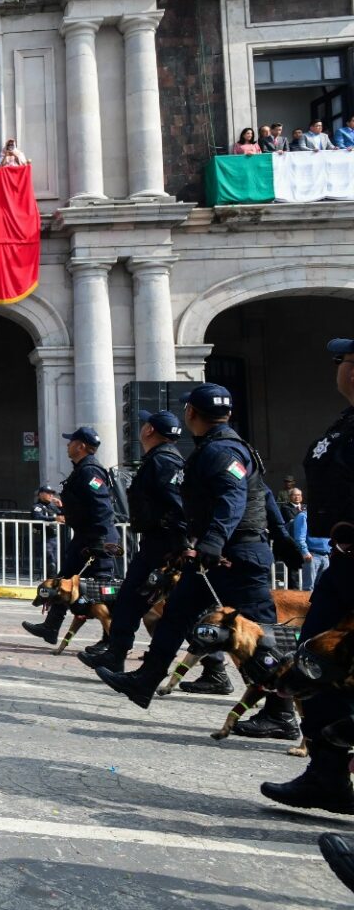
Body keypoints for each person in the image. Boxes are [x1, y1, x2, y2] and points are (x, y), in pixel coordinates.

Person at [95, 385, 299, 738]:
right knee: (176, 615)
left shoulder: (221, 451)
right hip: (218, 555)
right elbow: (262, 495)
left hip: (234, 556)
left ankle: (281, 711)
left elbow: (233, 499)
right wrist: (282, 538)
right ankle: (145, 680)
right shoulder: (229, 448)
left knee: (262, 636)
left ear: (190, 413)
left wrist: (216, 540)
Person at [258, 335, 354, 813]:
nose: (339, 369)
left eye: (343, 360)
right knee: (313, 664)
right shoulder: (348, 423)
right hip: (345, 564)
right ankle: (327, 774)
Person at [78, 411, 186, 674]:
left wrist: (180, 545)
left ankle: (118, 655)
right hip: (162, 543)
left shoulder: (163, 462)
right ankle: (116, 654)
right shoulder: (163, 459)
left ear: (149, 430)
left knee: (134, 600)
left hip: (163, 545)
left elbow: (178, 505)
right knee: (149, 603)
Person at [23, 425, 118, 642]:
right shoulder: (82, 469)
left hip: (98, 538)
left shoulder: (90, 470)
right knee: (64, 580)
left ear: (80, 446)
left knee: (103, 589)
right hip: (85, 537)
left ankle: (111, 641)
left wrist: (100, 540)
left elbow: (102, 507)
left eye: (70, 441)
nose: (67, 445)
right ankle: (51, 627)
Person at [32, 484, 62, 576]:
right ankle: (49, 582)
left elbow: (63, 516)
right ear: (41, 494)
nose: (51, 495)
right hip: (43, 538)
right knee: (50, 562)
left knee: (55, 562)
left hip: (54, 537)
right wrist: (54, 519)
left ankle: (52, 582)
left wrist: (61, 506)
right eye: (48, 493)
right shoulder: (37, 506)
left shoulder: (53, 506)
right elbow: (38, 517)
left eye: (52, 493)